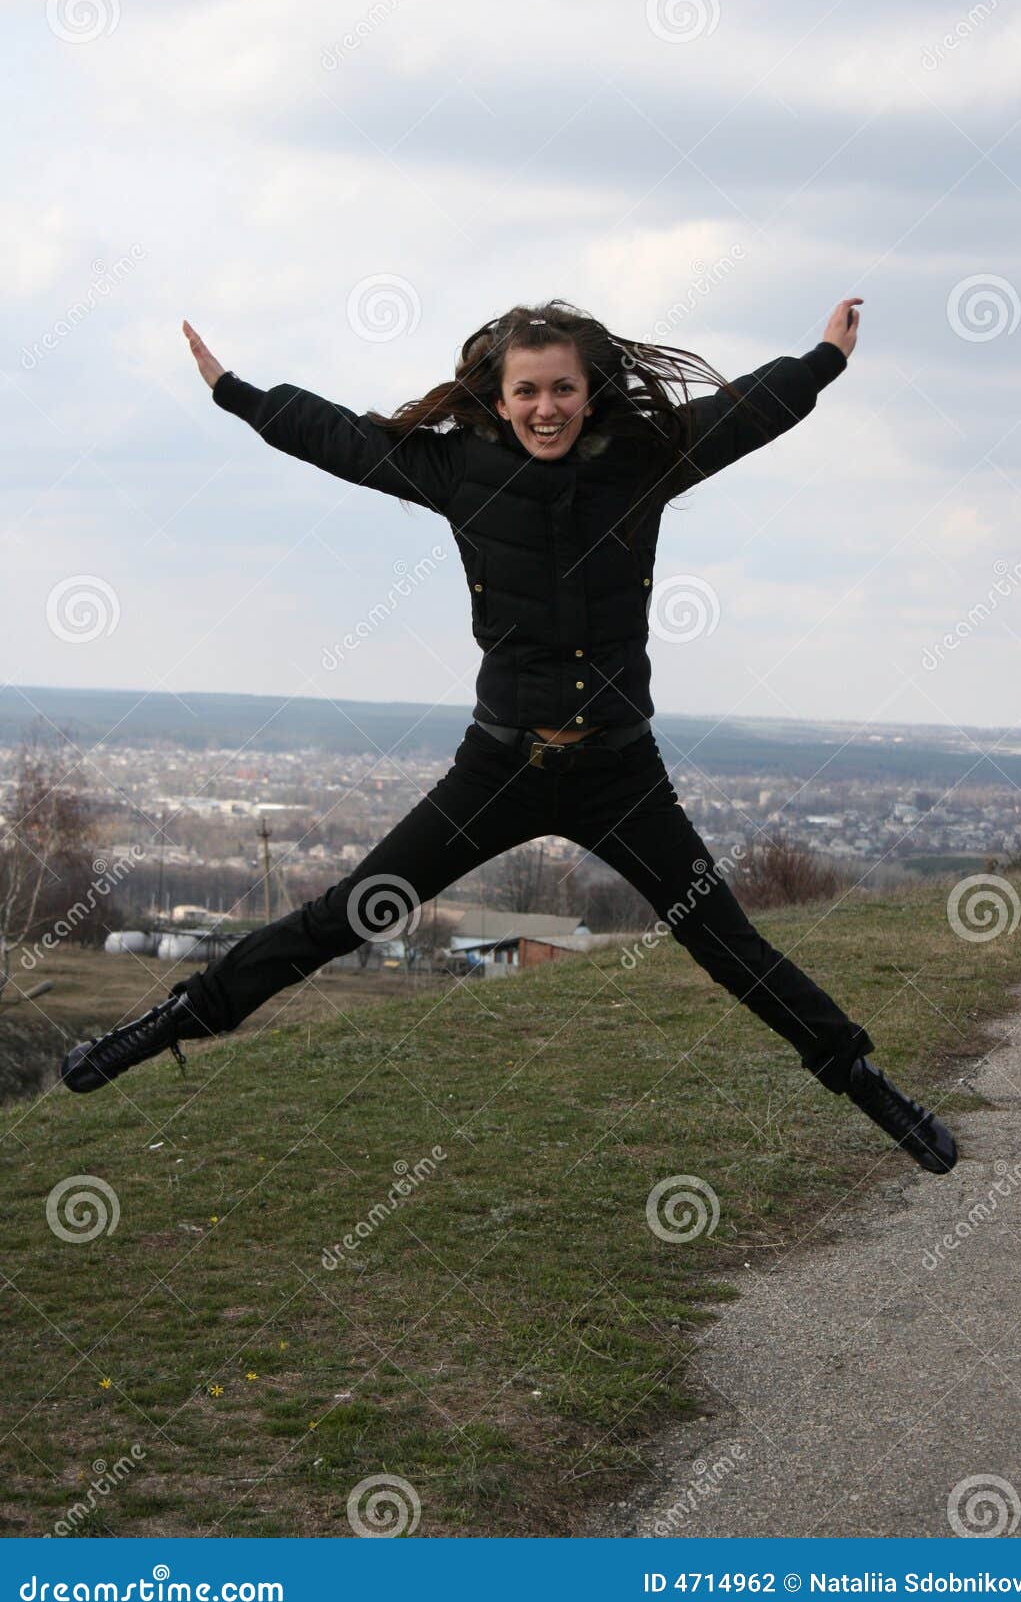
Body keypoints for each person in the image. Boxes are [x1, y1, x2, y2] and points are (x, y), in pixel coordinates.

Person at [61, 297, 957, 1174]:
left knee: (727, 946)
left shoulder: (643, 460)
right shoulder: (459, 472)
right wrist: (237, 392)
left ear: (587, 391)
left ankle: (862, 1080)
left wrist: (823, 361)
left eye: (561, 389)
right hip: (498, 767)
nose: (545, 407)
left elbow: (740, 416)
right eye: (526, 391)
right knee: (349, 913)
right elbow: (342, 439)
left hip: (619, 771)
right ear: (498, 399)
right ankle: (168, 1025)